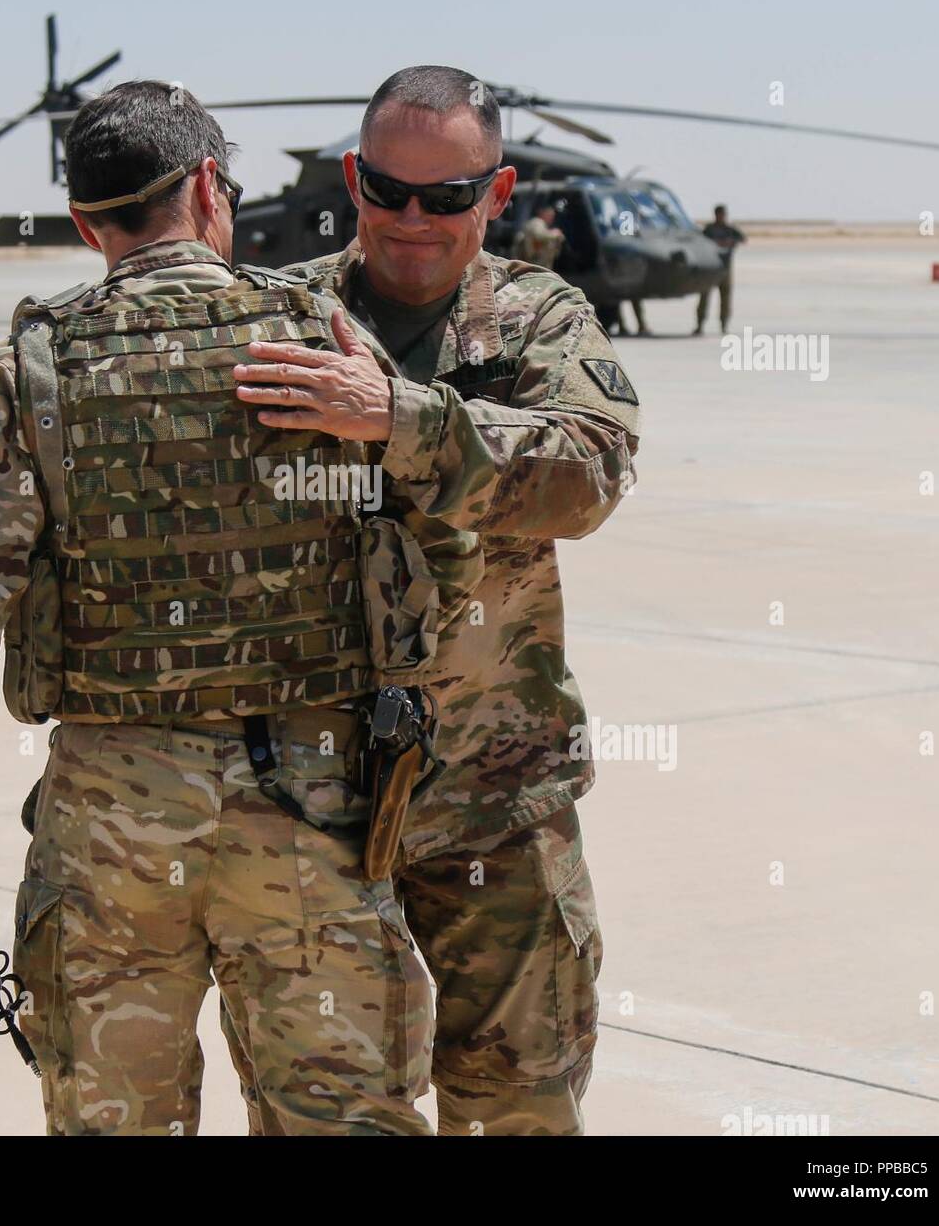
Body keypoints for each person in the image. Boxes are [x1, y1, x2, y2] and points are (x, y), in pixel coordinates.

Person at [0, 80, 486, 1136]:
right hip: (312, 818)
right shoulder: (318, 338)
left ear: (85, 223)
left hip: (111, 831)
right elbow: (443, 549)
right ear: (207, 186)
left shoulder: (32, 369)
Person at [226, 65, 641, 1135]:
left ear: (496, 195)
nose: (411, 219)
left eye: (446, 196)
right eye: (385, 188)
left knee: (518, 1106)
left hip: (494, 805)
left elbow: (584, 475)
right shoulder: (284, 319)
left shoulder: (539, 317)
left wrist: (398, 418)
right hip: (309, 812)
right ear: (354, 181)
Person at [696, 203, 746, 334]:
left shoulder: (730, 229)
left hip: (725, 270)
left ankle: (724, 326)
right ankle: (700, 325)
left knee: (725, 299)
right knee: (704, 298)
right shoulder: (709, 229)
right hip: (710, 269)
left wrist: (730, 242)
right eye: (720, 214)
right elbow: (701, 241)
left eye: (723, 214)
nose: (721, 217)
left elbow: (742, 238)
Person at [512, 198, 565, 270]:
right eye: (549, 215)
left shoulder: (541, 224)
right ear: (542, 213)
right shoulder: (537, 222)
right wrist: (554, 234)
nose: (551, 218)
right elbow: (539, 235)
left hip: (539, 263)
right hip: (535, 262)